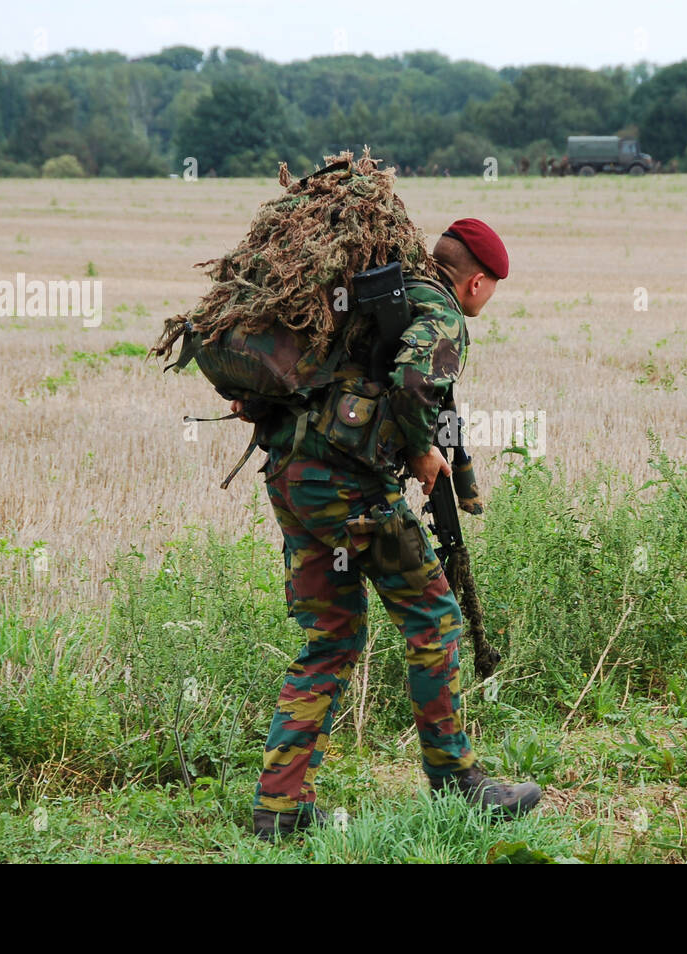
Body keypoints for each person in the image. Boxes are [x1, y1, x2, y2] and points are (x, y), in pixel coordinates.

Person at [240, 218, 542, 841]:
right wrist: (421, 452)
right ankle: (458, 782)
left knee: (331, 636)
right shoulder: (437, 314)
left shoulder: (384, 298)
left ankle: (280, 808)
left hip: (292, 475)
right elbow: (412, 384)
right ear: (478, 282)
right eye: (492, 290)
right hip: (349, 488)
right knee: (434, 619)